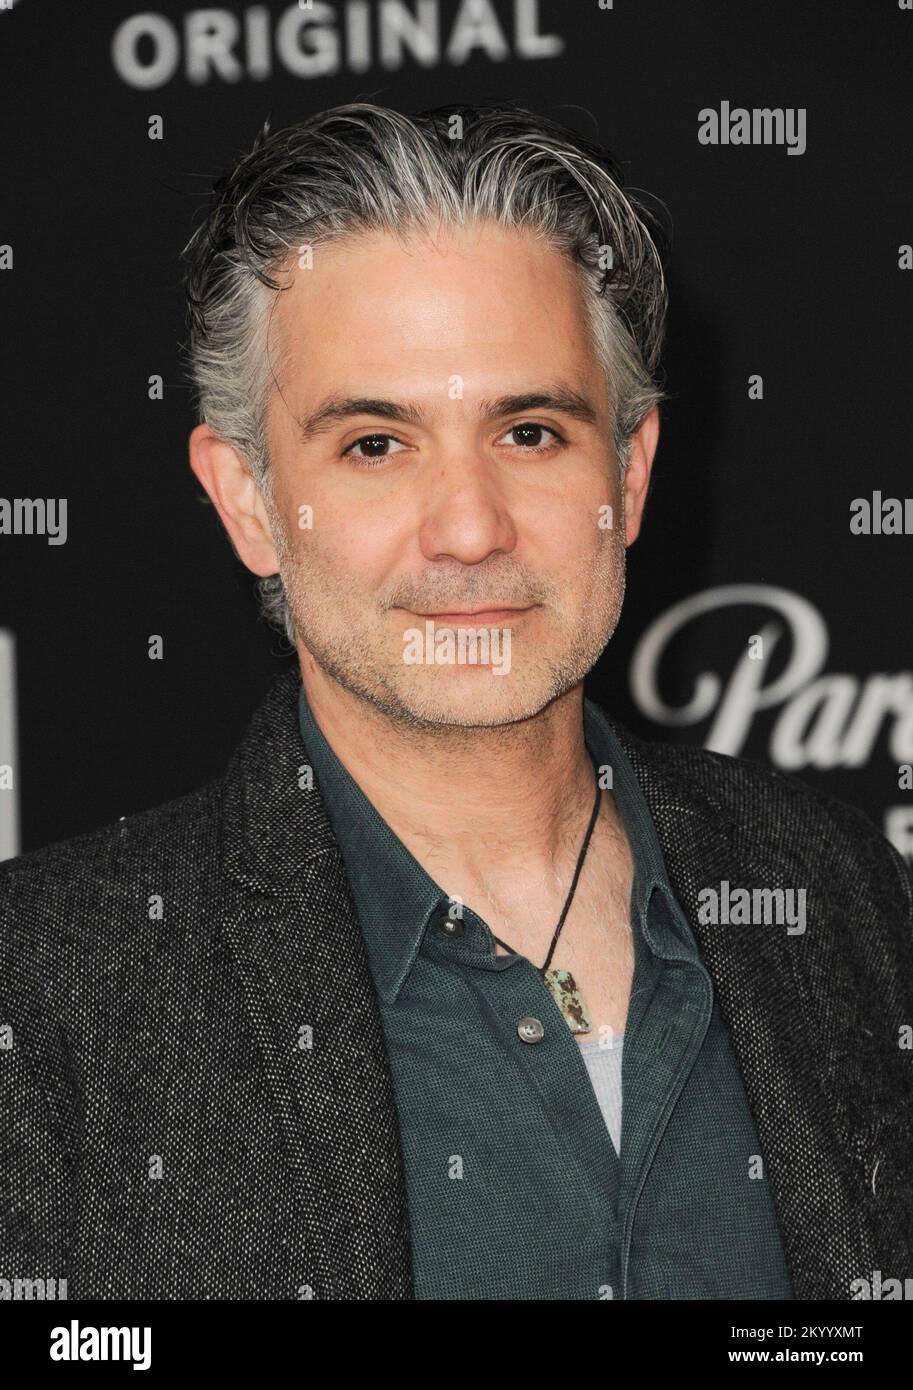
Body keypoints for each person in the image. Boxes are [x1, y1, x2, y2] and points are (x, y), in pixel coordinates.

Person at [2, 102, 911, 1301]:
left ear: (627, 477)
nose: (471, 528)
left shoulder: (844, 898)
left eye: (530, 431)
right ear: (249, 501)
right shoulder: (46, 991)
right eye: (376, 444)